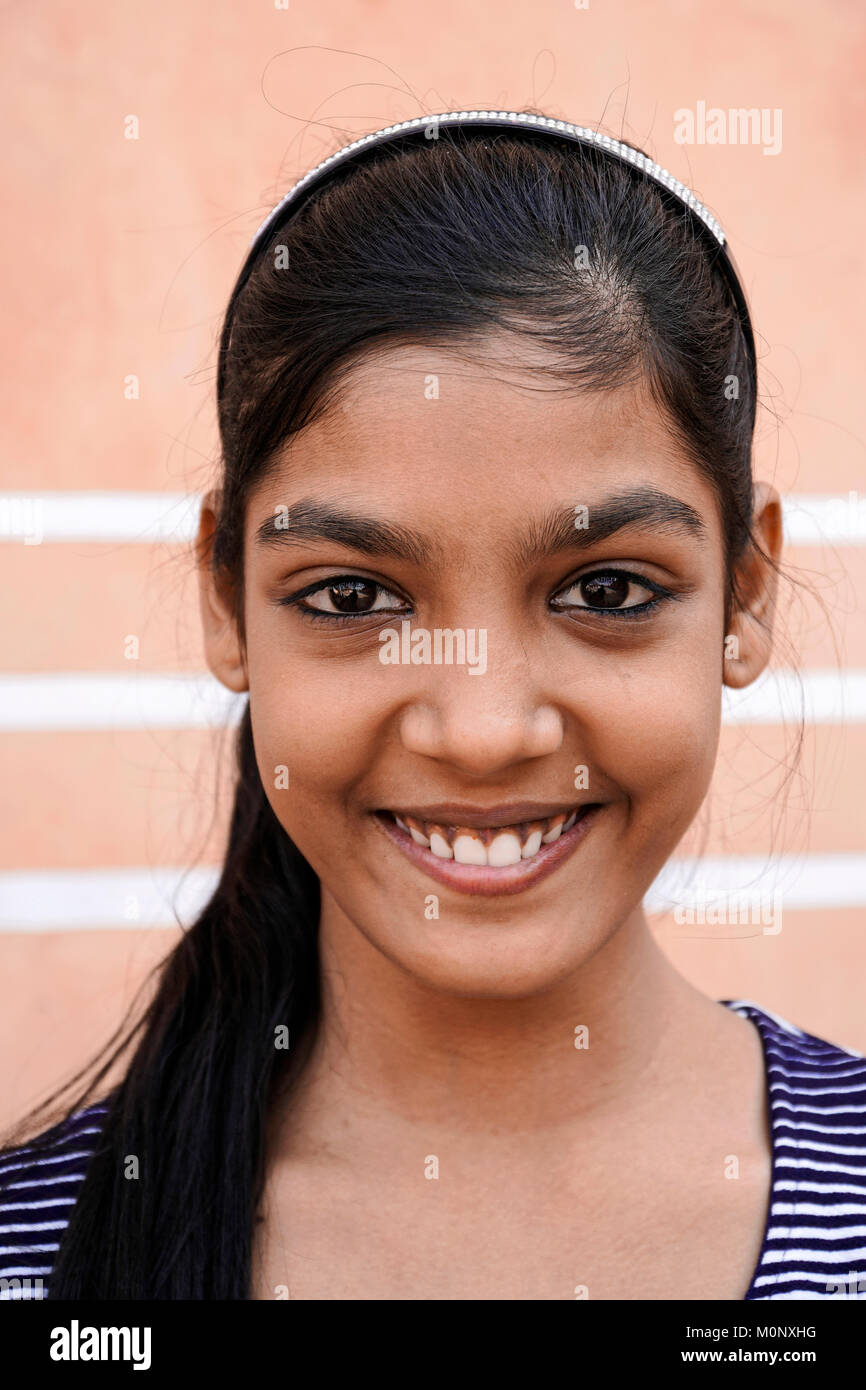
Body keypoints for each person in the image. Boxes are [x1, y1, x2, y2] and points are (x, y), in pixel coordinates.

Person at [2, 110, 865, 1302]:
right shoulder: (35, 1252)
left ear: (744, 590)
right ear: (223, 597)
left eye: (604, 589)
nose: (480, 729)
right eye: (352, 593)